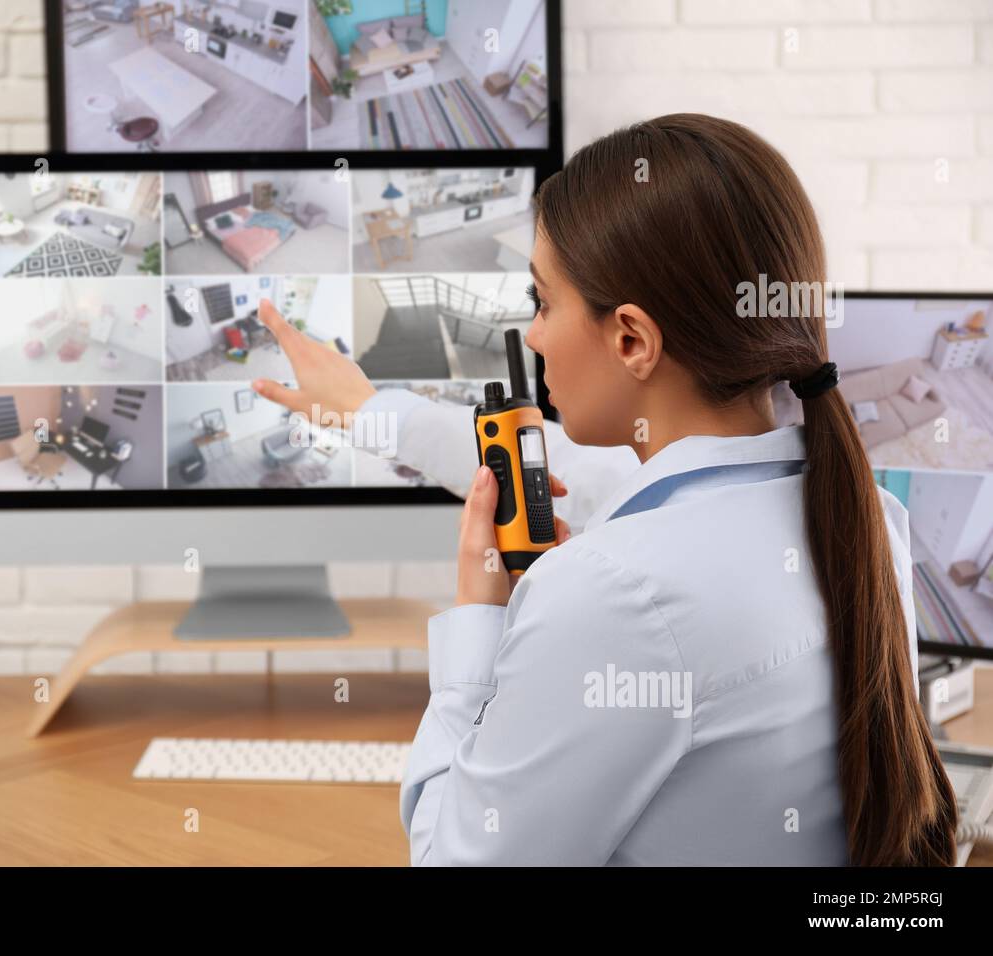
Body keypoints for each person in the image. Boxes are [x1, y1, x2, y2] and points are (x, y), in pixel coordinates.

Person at [251, 113, 956, 866]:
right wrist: (371, 414)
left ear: (631, 339)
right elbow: (607, 477)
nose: (532, 334)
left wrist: (479, 623)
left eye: (543, 301)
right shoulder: (862, 515)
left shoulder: (611, 593)